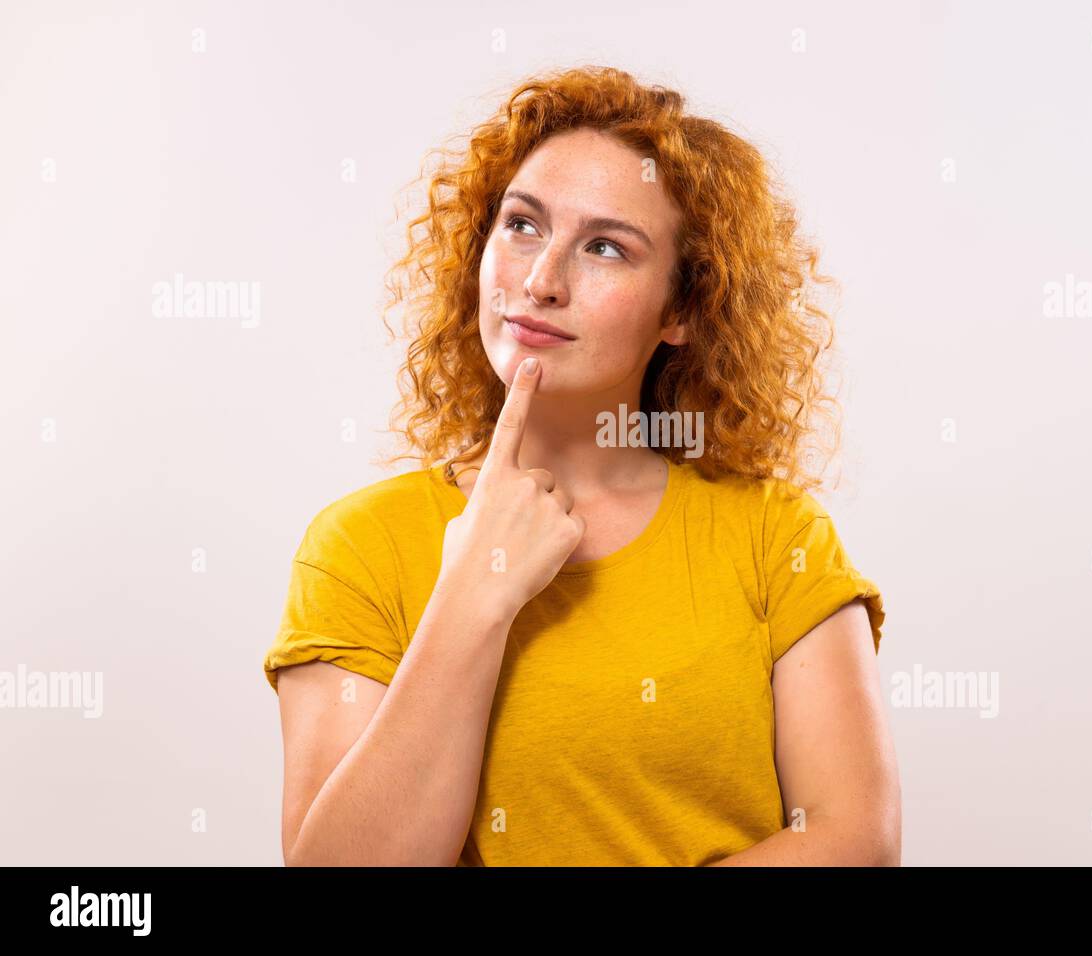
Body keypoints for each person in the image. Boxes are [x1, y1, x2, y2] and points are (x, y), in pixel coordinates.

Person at [263, 65, 900, 866]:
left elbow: (854, 841)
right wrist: (472, 595)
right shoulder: (360, 544)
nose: (539, 281)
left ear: (680, 311)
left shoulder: (776, 534)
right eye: (522, 225)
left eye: (604, 247)